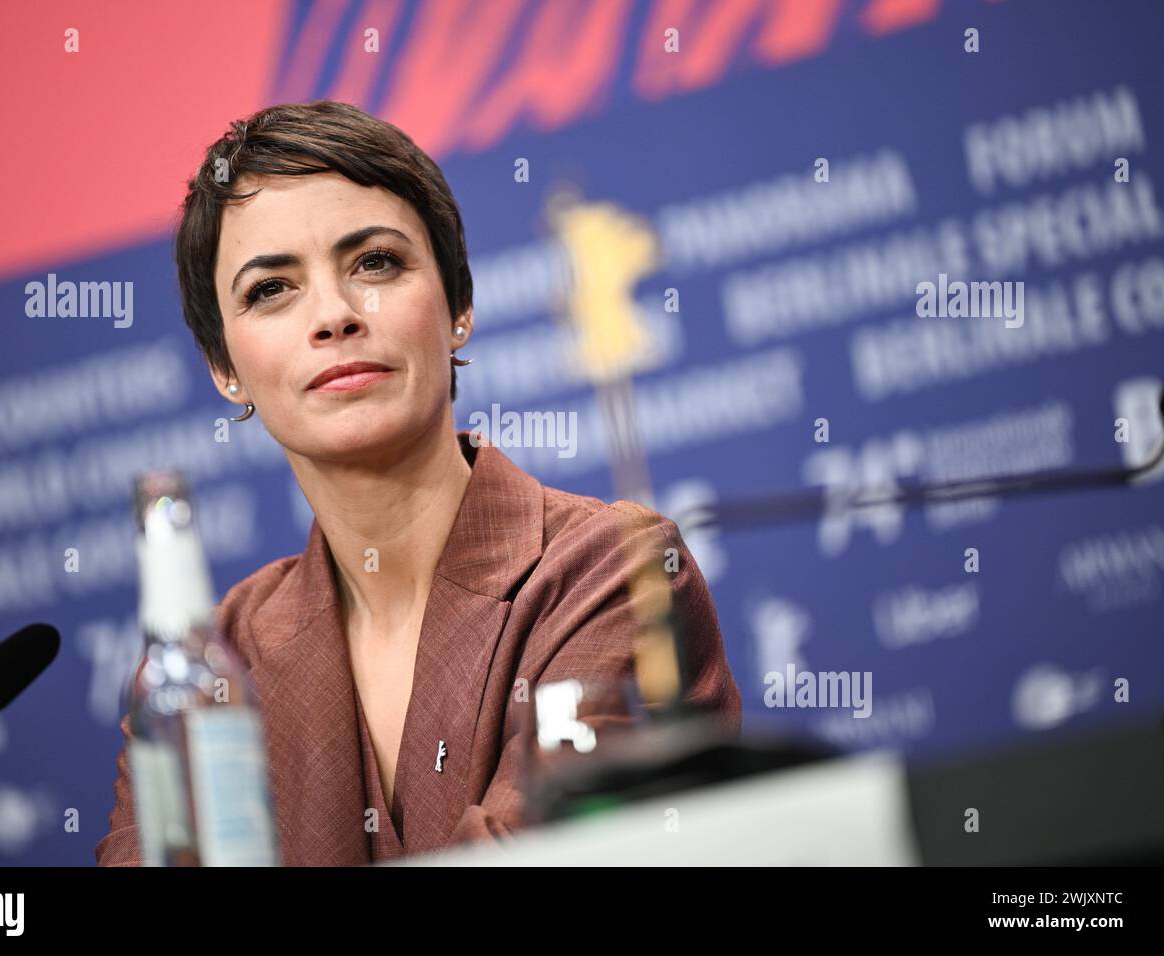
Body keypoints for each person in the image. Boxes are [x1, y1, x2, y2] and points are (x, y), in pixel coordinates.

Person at [95, 100, 741, 866]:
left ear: (458, 304)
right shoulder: (212, 669)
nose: (333, 315)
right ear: (225, 369)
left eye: (375, 262)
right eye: (271, 289)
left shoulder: (613, 571)